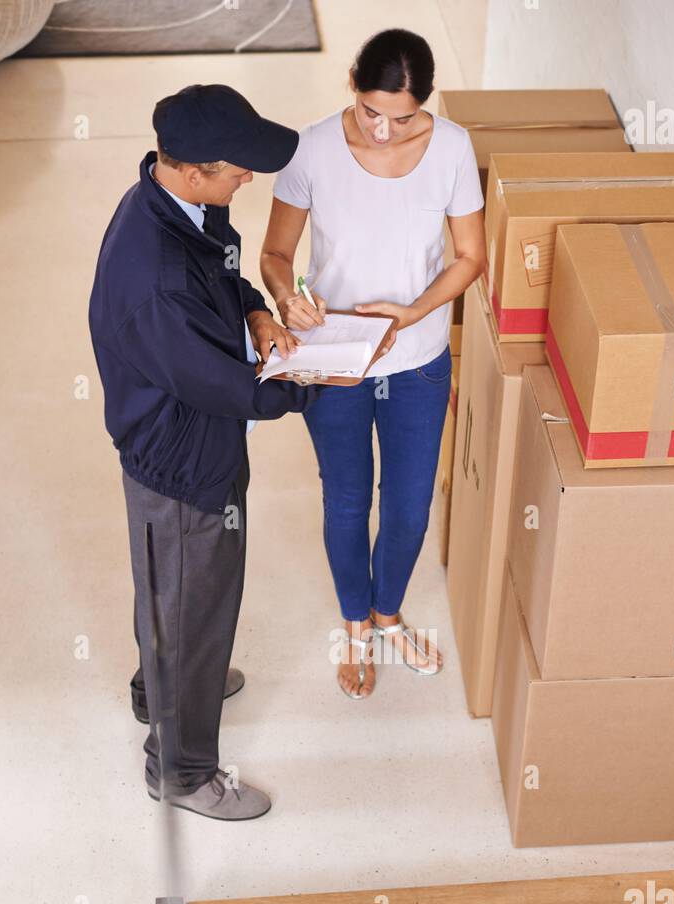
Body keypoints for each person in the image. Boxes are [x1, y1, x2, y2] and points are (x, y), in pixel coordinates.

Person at [89, 84, 309, 820]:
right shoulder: (152, 273)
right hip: (184, 461)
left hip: (184, 442)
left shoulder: (179, 203)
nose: (247, 178)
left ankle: (159, 691)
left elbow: (225, 273)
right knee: (194, 598)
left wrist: (255, 312)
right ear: (188, 169)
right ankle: (180, 771)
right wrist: (315, 382)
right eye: (236, 168)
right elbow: (229, 388)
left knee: (169, 585)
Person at [260, 28, 486, 699]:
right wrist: (288, 295)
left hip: (417, 359)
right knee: (347, 500)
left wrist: (413, 313)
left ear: (428, 102)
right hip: (333, 360)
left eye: (404, 116)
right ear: (352, 84)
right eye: (370, 113)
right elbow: (276, 254)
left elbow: (472, 259)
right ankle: (356, 625)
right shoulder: (309, 150)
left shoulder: (451, 148)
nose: (385, 131)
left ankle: (389, 612)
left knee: (411, 507)